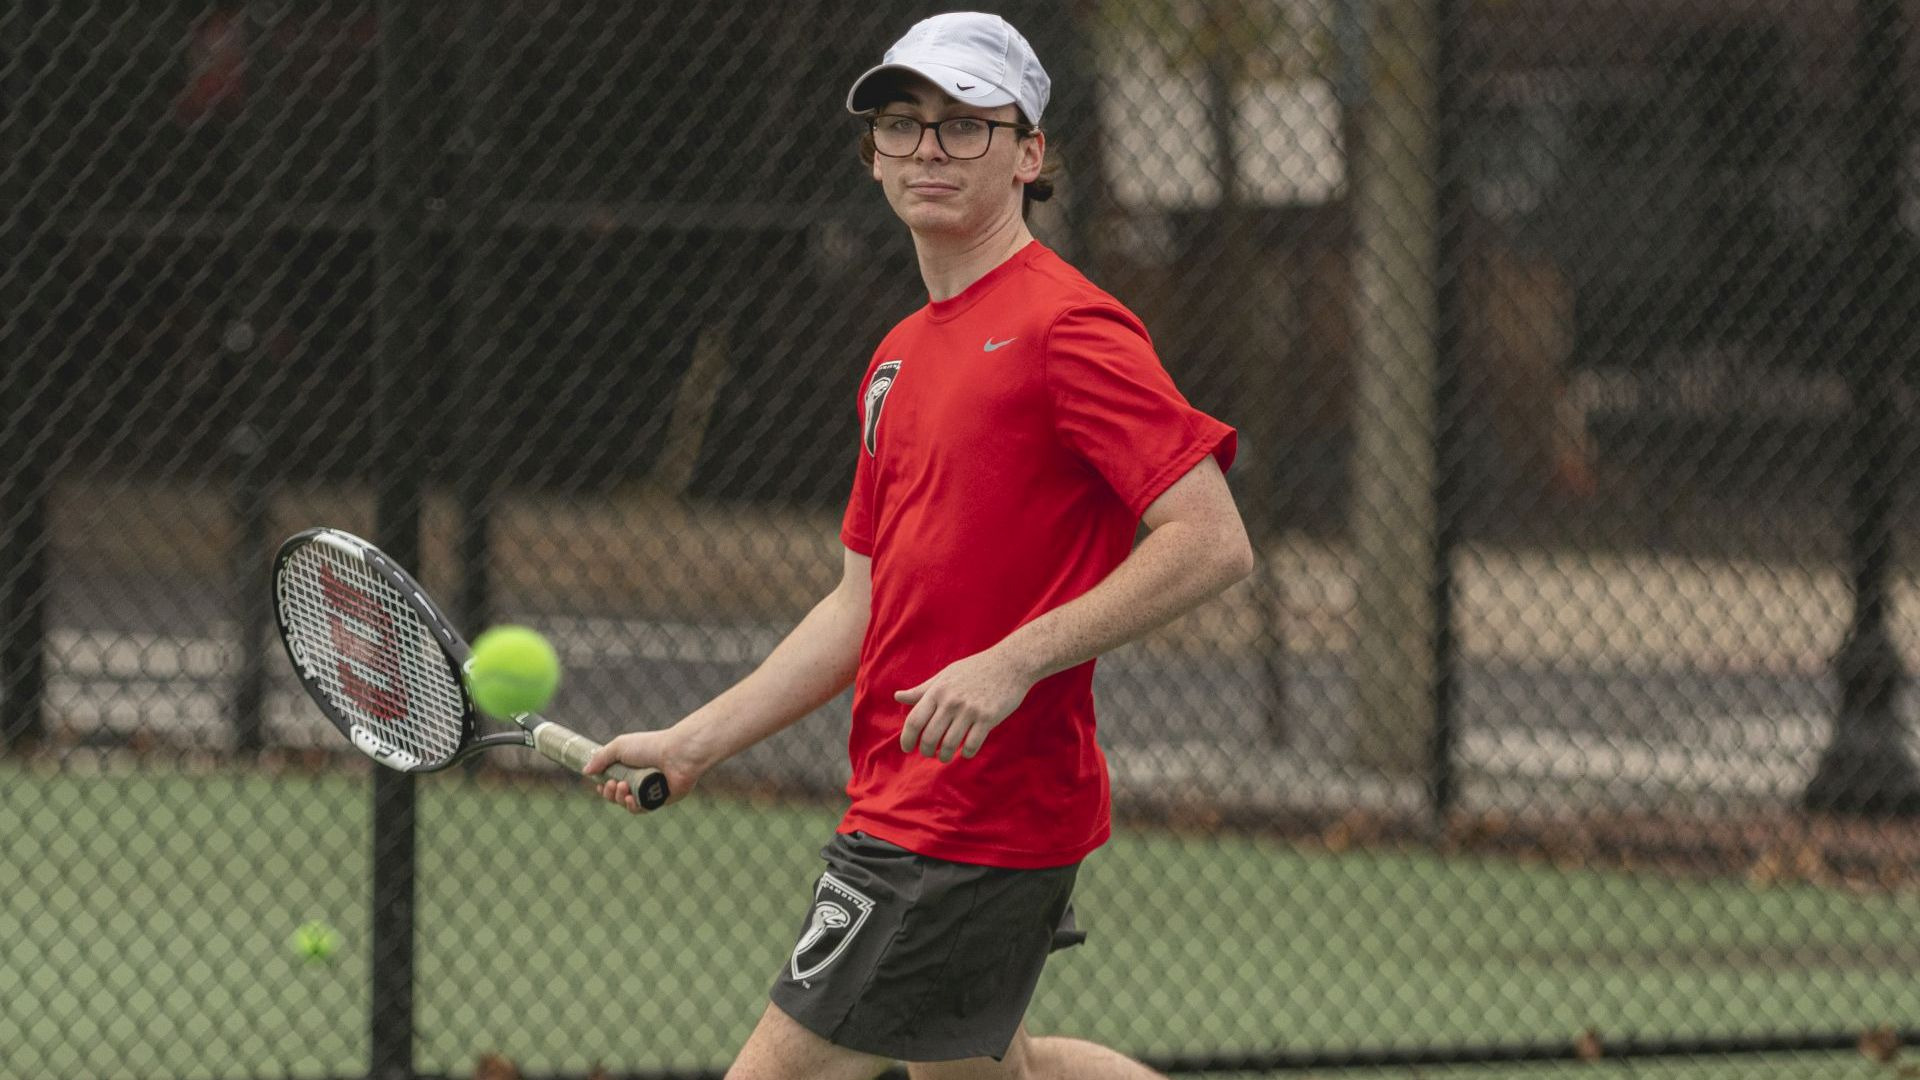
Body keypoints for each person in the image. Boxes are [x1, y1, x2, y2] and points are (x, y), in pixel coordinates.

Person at [585, 11, 1252, 1077]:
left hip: (966, 818)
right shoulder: (896, 358)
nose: (928, 149)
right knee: (995, 1070)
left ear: (1030, 153)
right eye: (903, 125)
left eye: (964, 125)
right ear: (874, 155)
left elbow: (1211, 540)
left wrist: (1014, 658)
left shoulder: (1068, 328)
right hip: (916, 795)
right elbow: (861, 604)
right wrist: (696, 738)